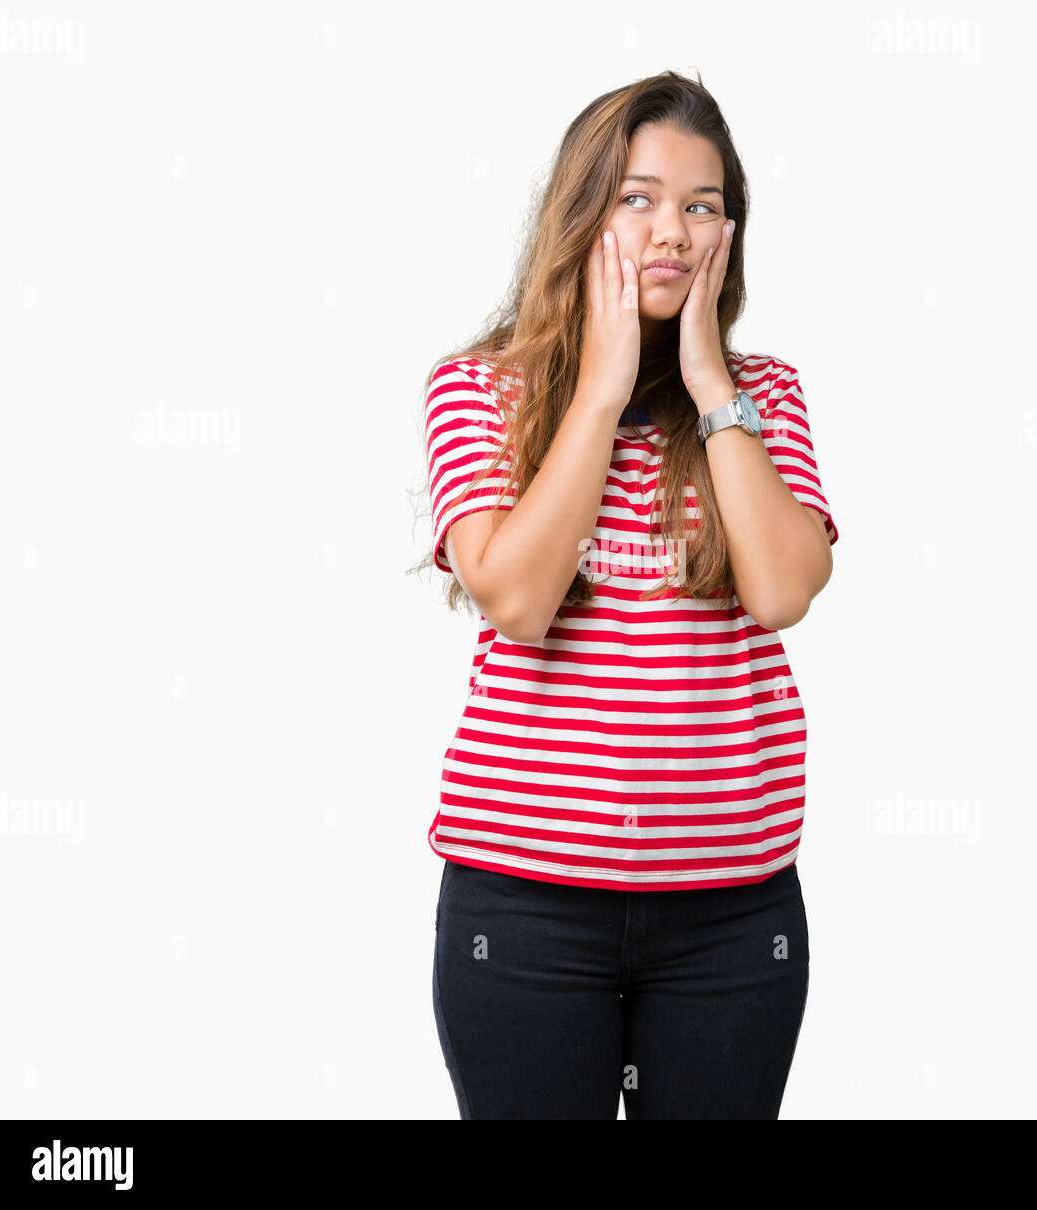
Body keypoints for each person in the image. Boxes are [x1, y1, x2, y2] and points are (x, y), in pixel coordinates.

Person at [415, 70, 838, 1119]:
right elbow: (514, 595)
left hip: (733, 917)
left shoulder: (763, 396)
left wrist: (708, 387)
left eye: (702, 206)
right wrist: (601, 390)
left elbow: (784, 588)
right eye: (638, 198)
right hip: (523, 909)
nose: (672, 232)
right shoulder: (483, 390)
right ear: (584, 210)